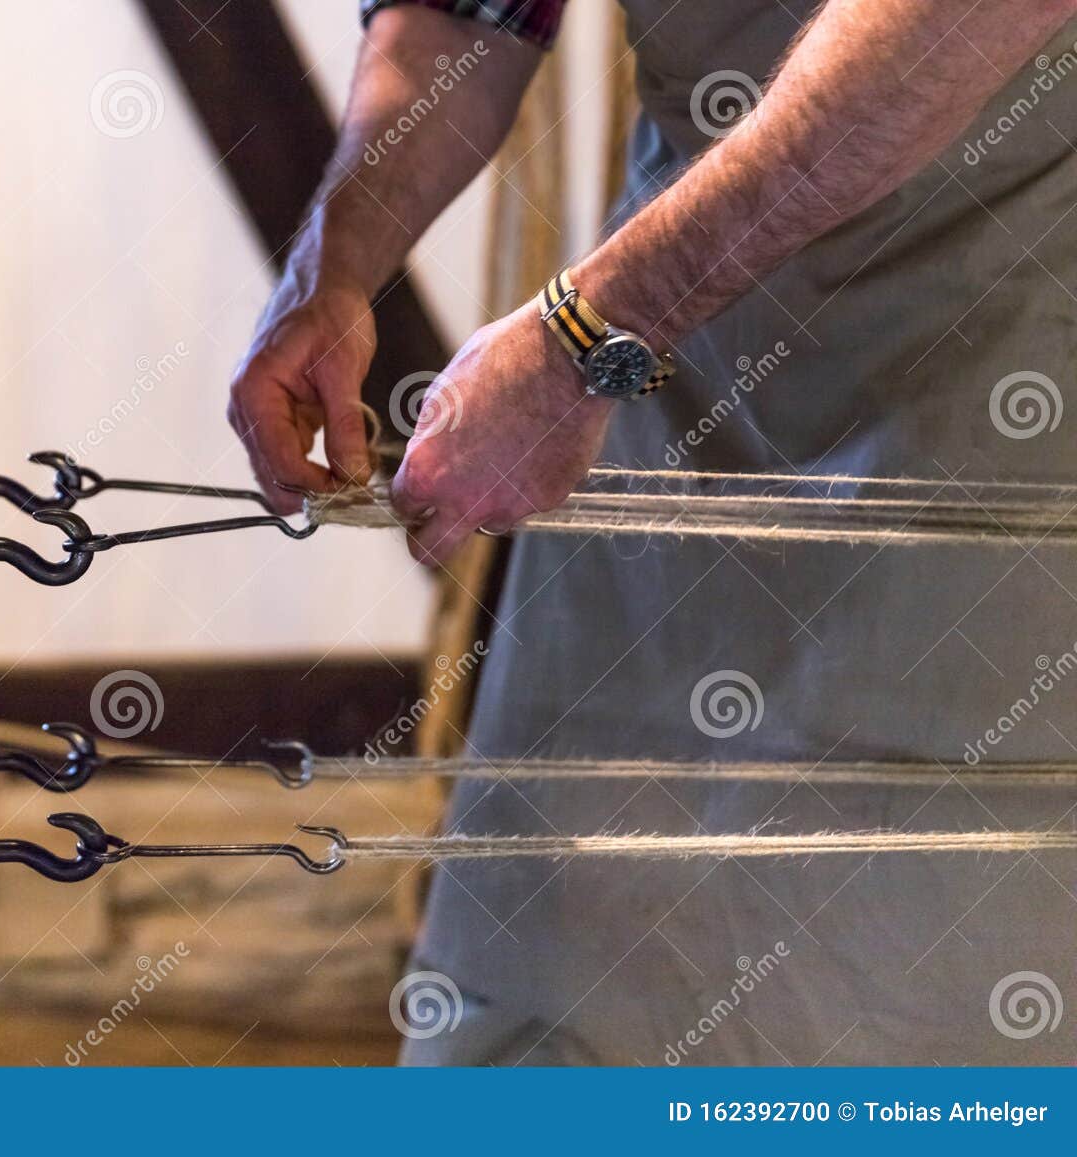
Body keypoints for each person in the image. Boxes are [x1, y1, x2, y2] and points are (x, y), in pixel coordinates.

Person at [228, 0, 1077, 1064]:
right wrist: (333, 262)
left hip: (1008, 357)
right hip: (675, 352)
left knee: (930, 1002)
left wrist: (583, 338)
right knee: (536, 1013)